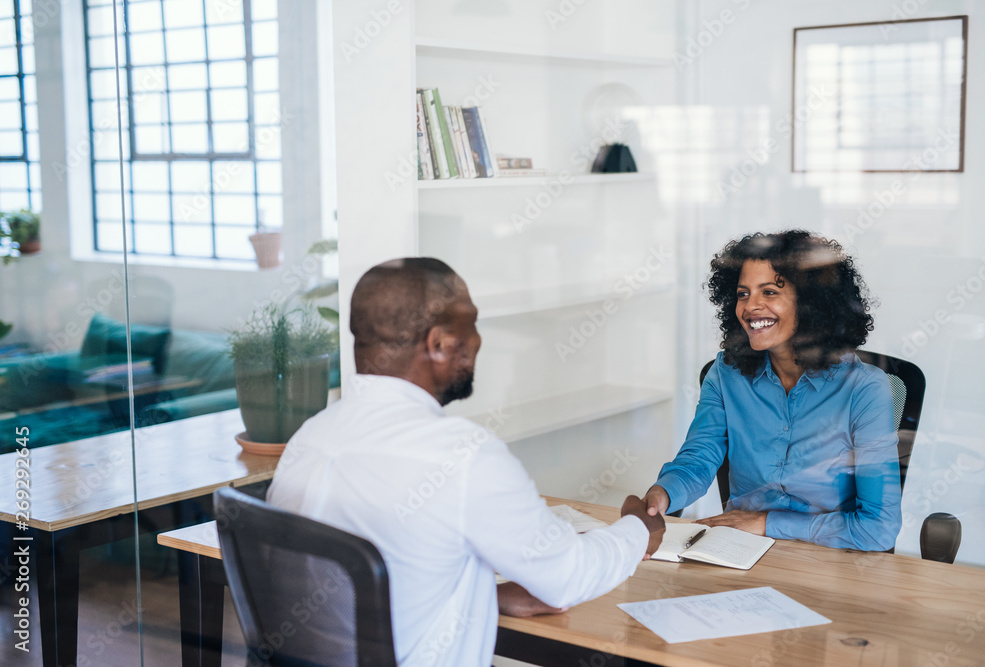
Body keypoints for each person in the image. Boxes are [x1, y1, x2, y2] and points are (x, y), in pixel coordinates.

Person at [268, 257, 664, 667]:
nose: (477, 341)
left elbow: (340, 598)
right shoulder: (461, 456)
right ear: (438, 343)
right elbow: (567, 576)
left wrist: (483, 597)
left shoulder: (308, 439)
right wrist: (639, 531)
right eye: (471, 325)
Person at [642, 230, 902, 551]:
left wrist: (766, 523)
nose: (751, 306)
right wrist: (662, 494)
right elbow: (699, 459)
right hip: (738, 550)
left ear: (810, 304)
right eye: (742, 293)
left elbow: (879, 528)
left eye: (769, 292)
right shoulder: (726, 372)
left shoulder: (865, 390)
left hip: (830, 558)